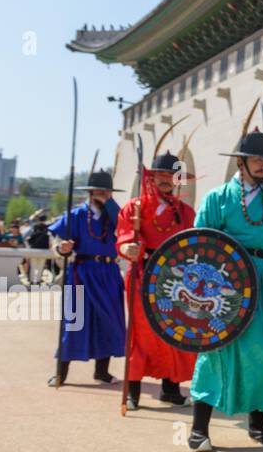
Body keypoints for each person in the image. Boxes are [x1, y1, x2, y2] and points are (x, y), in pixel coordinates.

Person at [187, 115, 263, 452]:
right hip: (223, 287)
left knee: (262, 353)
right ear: (240, 162)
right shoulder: (217, 199)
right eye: (258, 158)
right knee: (214, 354)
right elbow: (200, 245)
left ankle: (258, 426)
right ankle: (199, 429)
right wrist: (206, 287)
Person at [116, 151, 197, 409]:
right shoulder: (135, 207)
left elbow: (192, 245)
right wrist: (127, 247)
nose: (165, 180)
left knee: (173, 330)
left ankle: (170, 389)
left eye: (171, 175)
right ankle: (133, 391)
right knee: (140, 334)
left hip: (175, 281)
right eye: (160, 175)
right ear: (151, 177)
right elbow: (124, 237)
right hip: (143, 275)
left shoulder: (185, 212)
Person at [47, 170, 126, 387]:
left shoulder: (115, 214)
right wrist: (61, 248)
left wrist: (109, 204)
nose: (102, 195)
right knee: (74, 321)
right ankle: (61, 372)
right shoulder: (76, 215)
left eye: (106, 191)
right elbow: (57, 241)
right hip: (81, 272)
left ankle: (102, 371)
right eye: (98, 191)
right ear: (90, 192)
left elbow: (126, 227)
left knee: (108, 321)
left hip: (108, 273)